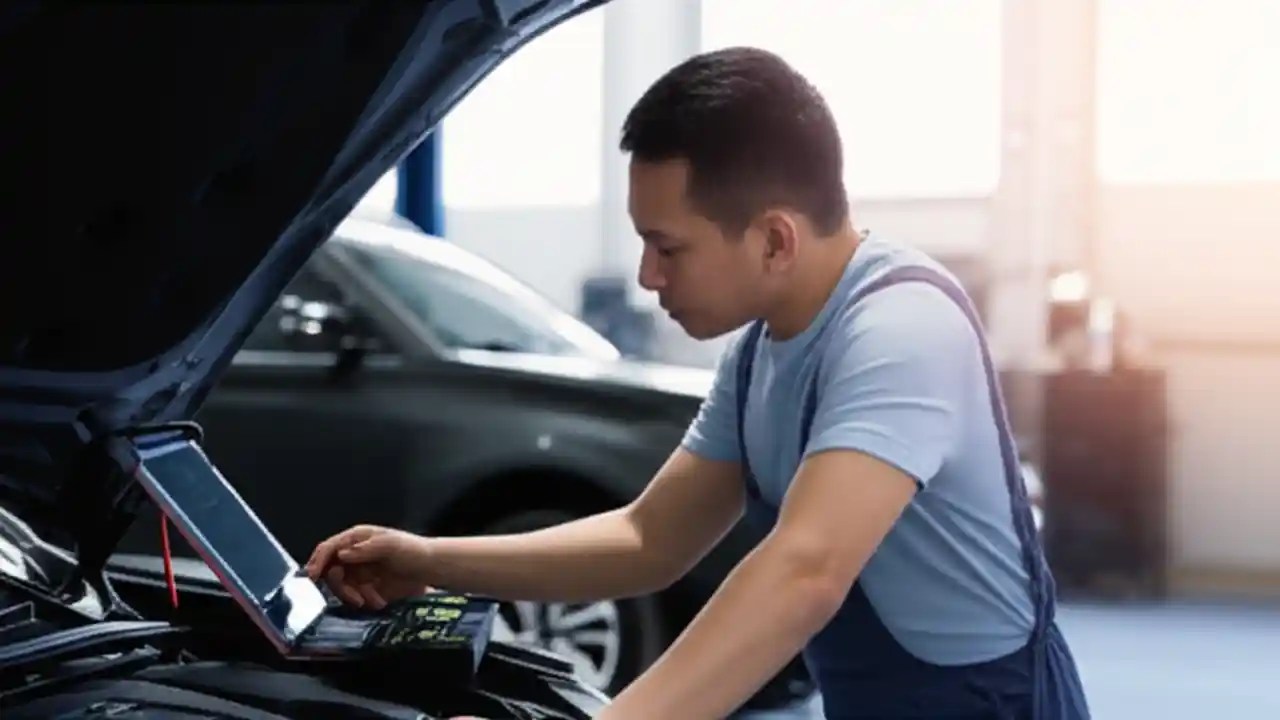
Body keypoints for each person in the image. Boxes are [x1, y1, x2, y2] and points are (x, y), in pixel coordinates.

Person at [306, 47, 1091, 719]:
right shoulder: (758, 352)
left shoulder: (901, 330)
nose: (646, 276)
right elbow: (649, 539)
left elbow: (804, 574)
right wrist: (429, 559)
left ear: (775, 240)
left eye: (667, 247)